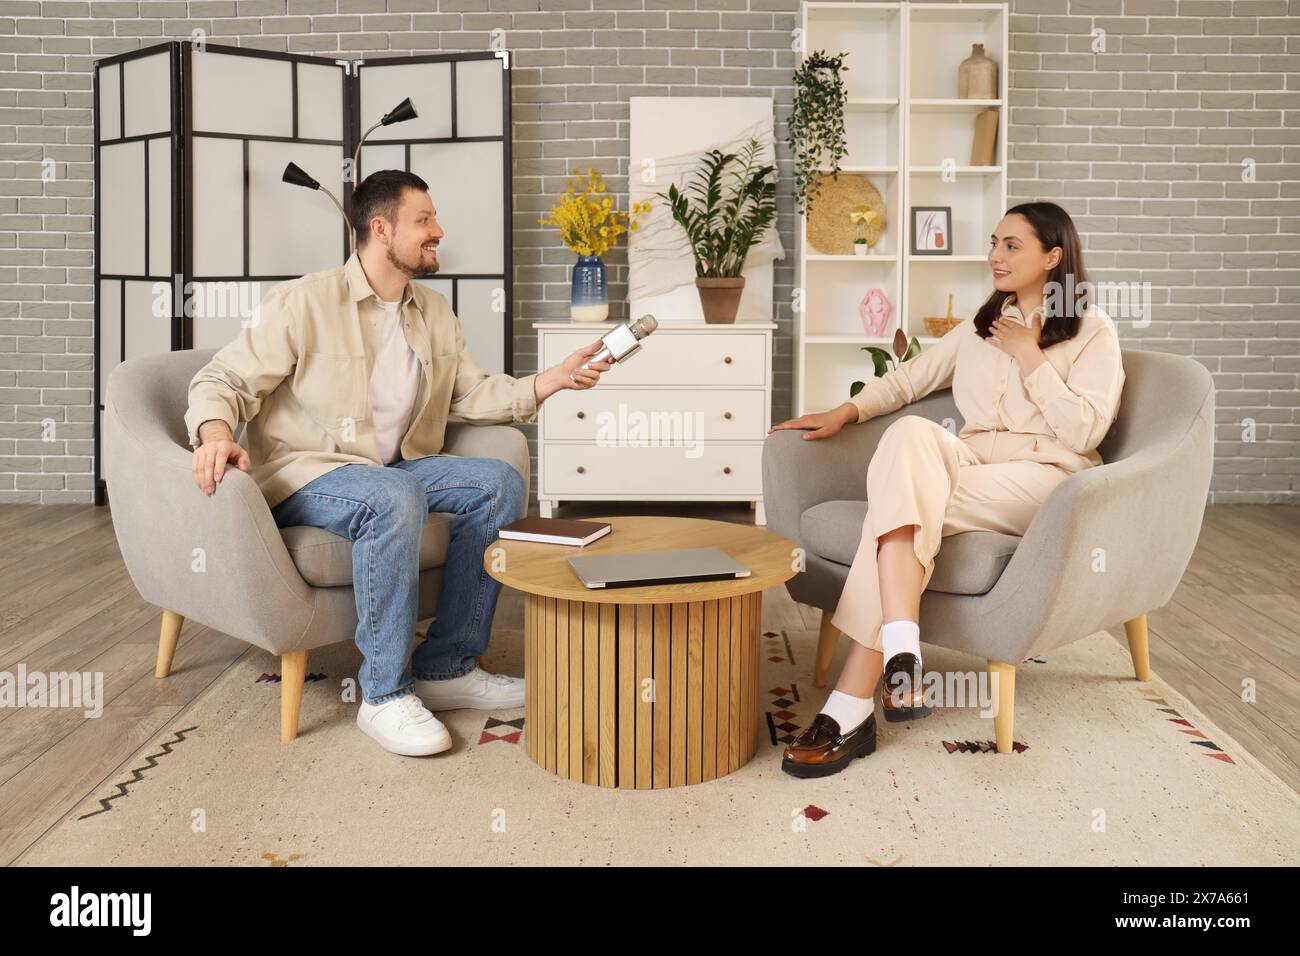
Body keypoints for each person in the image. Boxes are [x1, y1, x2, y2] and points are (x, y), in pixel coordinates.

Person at [184, 169, 612, 757]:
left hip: (391, 467)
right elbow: (224, 379)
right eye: (424, 220)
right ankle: (383, 694)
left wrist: (551, 381)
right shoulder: (302, 301)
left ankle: (447, 667)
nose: (438, 231)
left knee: (497, 484)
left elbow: (470, 394)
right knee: (394, 496)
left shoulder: (432, 311)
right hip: (308, 472)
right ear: (380, 229)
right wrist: (212, 434)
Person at [769, 201, 1126, 778]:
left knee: (897, 509)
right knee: (912, 434)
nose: (994, 255)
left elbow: (1085, 429)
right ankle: (904, 652)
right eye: (994, 242)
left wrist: (1030, 356)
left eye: (1012, 245)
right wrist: (844, 410)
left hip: (1046, 477)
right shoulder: (983, 324)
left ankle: (851, 704)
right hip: (974, 462)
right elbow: (911, 380)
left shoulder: (1092, 329)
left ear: (1052, 255)